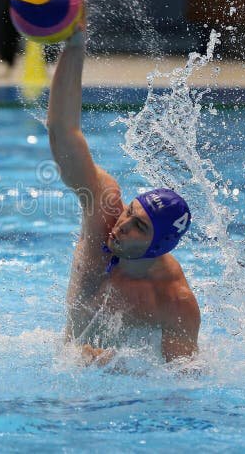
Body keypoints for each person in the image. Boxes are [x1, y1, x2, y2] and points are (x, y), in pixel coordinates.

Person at [46, 20, 200, 364]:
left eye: (139, 227)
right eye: (131, 212)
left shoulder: (174, 301)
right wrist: (73, 47)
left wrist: (118, 368)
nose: (122, 225)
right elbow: (62, 132)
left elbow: (181, 385)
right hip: (65, 367)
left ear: (157, 246)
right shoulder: (105, 212)